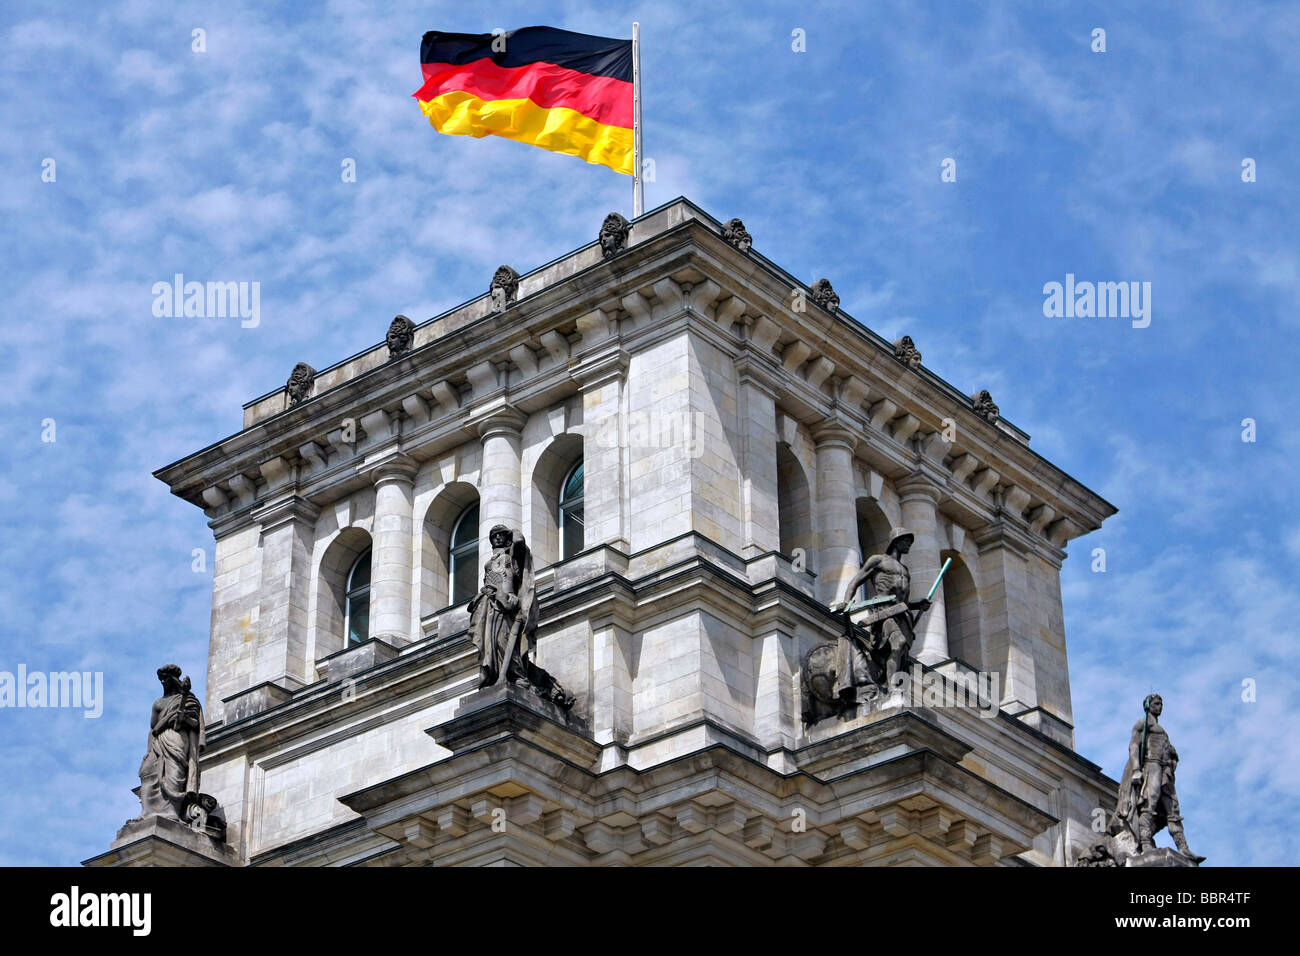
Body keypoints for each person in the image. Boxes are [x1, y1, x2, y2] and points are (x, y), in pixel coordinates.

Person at [829, 527, 932, 697]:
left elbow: (903, 601)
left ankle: (889, 683)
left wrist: (917, 605)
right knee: (897, 642)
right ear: (896, 541)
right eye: (906, 541)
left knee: (901, 653)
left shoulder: (905, 570)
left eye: (910, 542)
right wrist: (846, 602)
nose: (909, 545)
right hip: (884, 611)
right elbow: (855, 581)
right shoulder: (878, 561)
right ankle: (892, 688)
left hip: (903, 615)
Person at [1114, 694, 1204, 862]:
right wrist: (1135, 770)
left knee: (1172, 808)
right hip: (1151, 766)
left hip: (1164, 770)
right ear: (1148, 705)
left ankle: (1183, 847)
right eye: (1156, 703)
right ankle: (1146, 842)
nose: (1160, 706)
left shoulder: (1159, 728)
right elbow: (1134, 746)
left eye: (1161, 704)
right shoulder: (1143, 724)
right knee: (1150, 802)